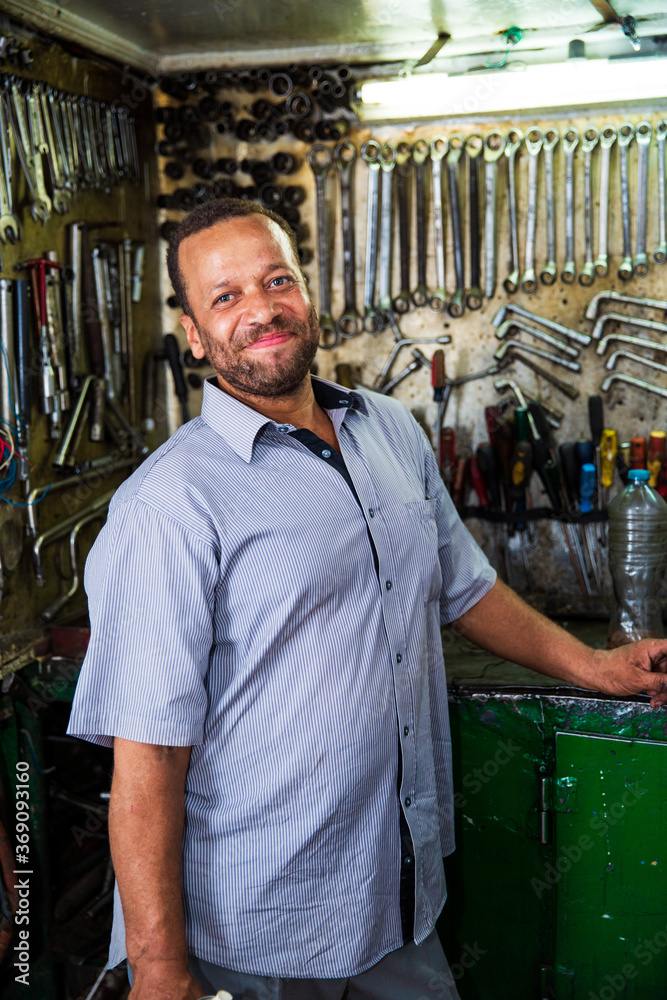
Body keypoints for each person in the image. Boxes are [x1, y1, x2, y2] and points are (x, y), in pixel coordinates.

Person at [67, 198, 667, 1000]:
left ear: (306, 291)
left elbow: (463, 587)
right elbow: (147, 757)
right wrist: (159, 968)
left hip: (394, 892)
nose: (262, 310)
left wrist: (593, 667)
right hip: (252, 925)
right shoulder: (168, 506)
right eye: (227, 297)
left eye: (276, 280)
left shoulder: (387, 429)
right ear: (194, 332)